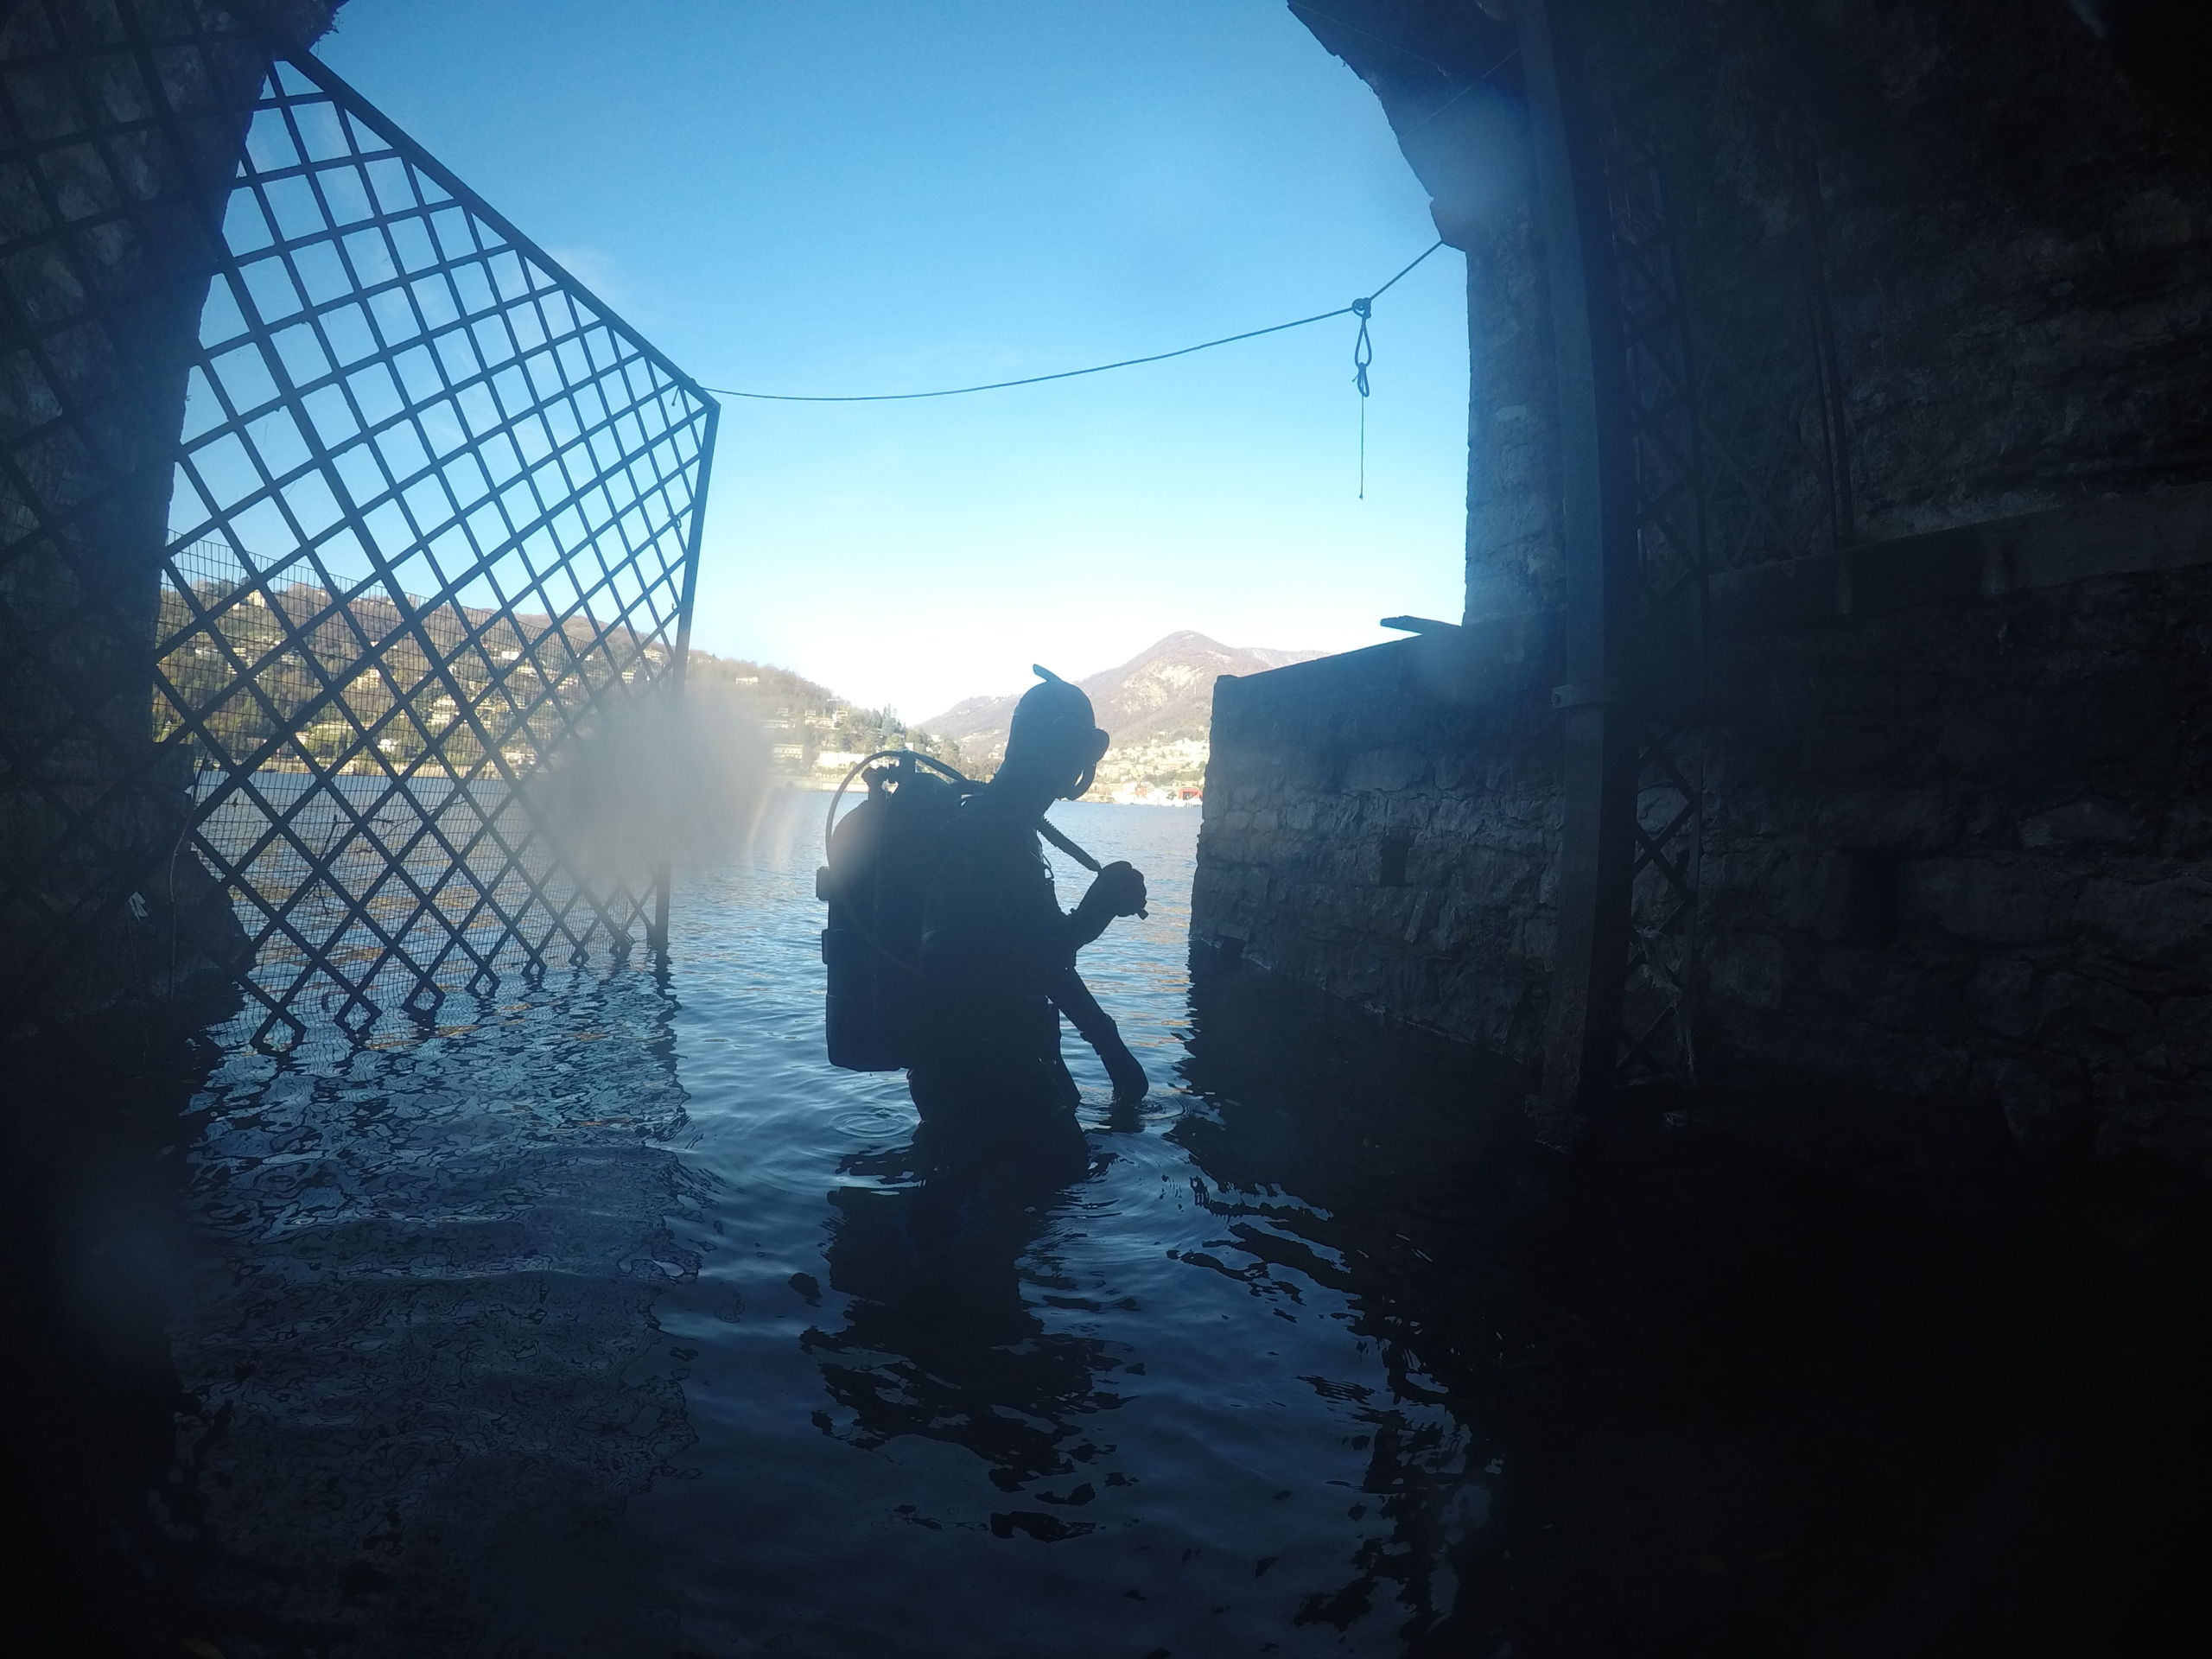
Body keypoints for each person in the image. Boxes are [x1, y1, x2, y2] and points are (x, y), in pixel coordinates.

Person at [906, 668, 1147, 1163]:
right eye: (1074, 749)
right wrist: (1100, 904)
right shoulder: (993, 831)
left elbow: (1040, 955)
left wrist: (1109, 1046)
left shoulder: (1006, 826)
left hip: (981, 1058)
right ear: (1053, 751)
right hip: (981, 1065)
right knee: (1052, 1191)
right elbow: (1042, 955)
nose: (1076, 766)